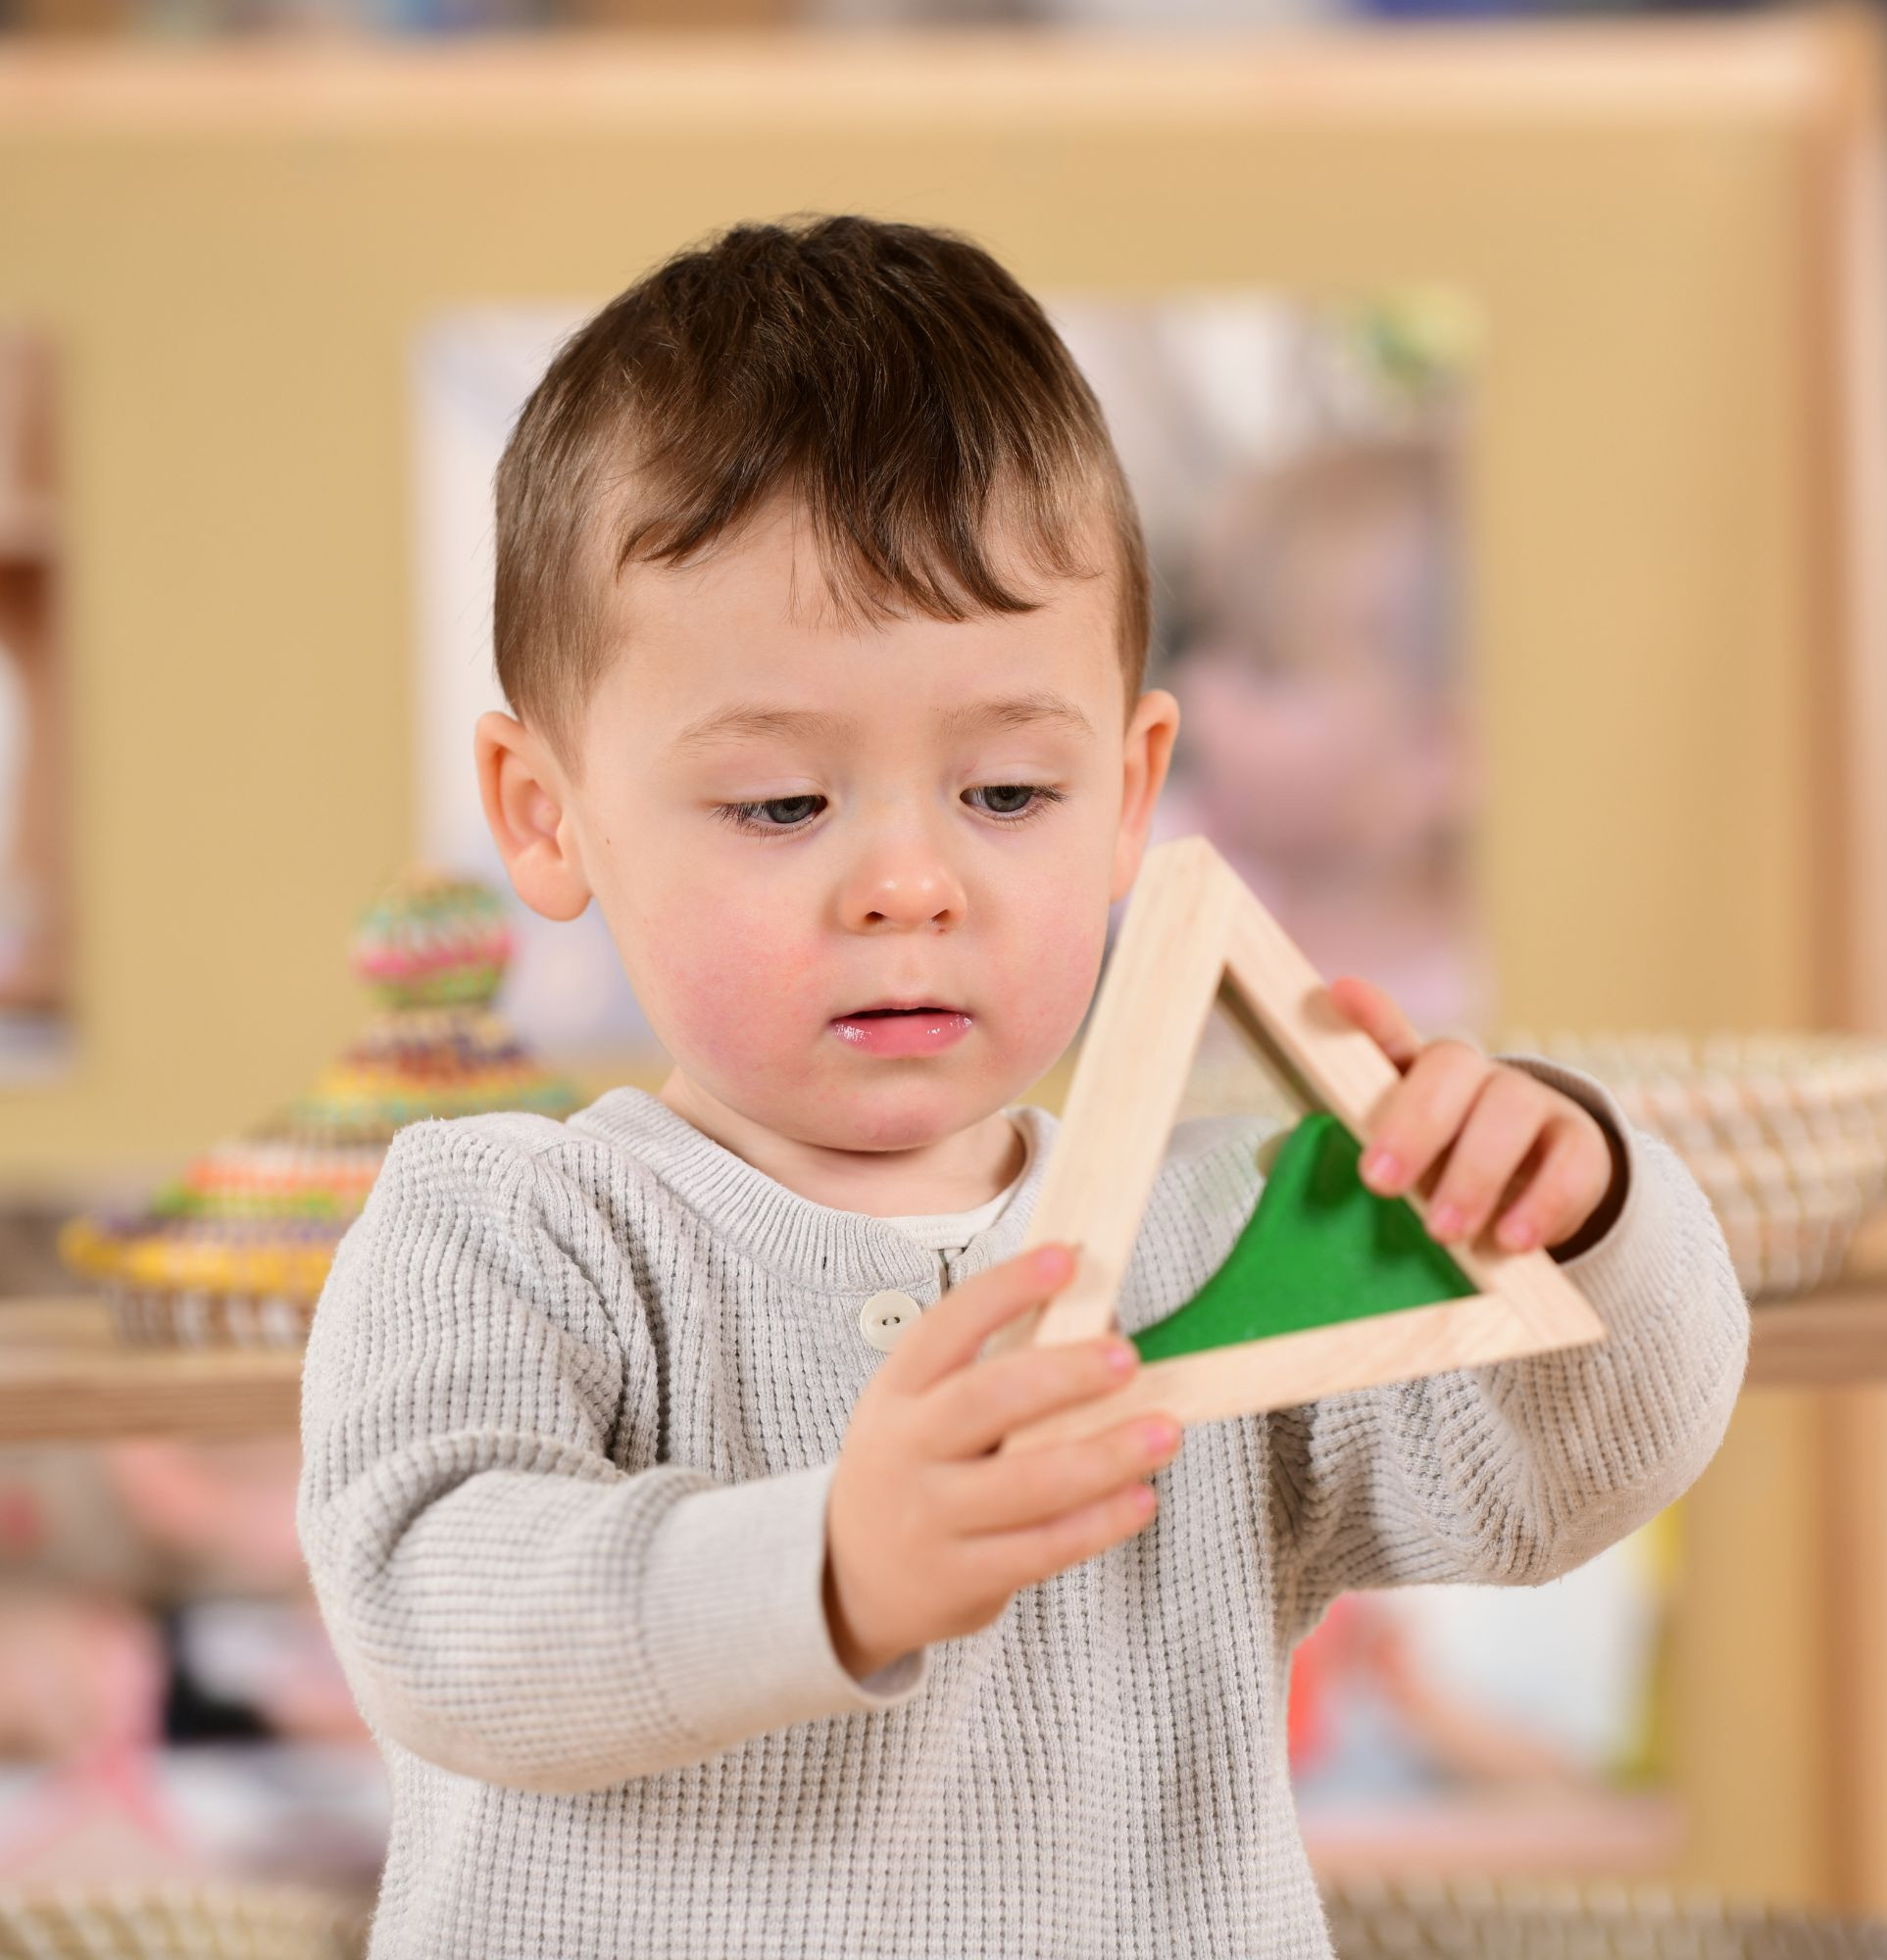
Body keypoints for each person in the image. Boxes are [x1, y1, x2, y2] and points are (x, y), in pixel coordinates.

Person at [296, 213, 1749, 1958]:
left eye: (1004, 795)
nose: (910, 883)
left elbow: (1559, 1478)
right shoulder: (509, 1226)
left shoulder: (1201, 1234)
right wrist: (831, 1568)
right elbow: (437, 1615)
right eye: (781, 806)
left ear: (1133, 791)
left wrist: (1572, 1212)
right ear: (545, 812)